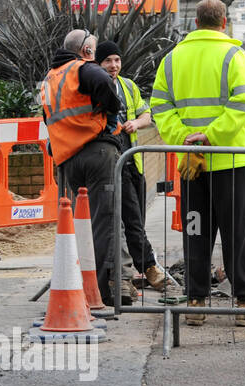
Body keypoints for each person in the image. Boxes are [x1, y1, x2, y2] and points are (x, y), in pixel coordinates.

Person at [151, 0, 245, 327]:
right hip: (231, 161)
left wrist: (187, 138)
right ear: (225, 23)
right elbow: (242, 105)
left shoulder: (172, 59)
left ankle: (196, 303)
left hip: (192, 164)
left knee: (196, 231)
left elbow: (161, 106)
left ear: (195, 23)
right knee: (239, 234)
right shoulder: (236, 56)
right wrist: (210, 136)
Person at [41, 29, 126, 305]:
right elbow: (105, 83)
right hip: (97, 151)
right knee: (104, 222)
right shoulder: (83, 69)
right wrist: (112, 111)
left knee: (77, 226)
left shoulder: (50, 79)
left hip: (67, 159)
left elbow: (47, 118)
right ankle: (103, 290)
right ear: (88, 52)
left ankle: (78, 288)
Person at [94, 40, 172, 293]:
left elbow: (146, 115)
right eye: (108, 61)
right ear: (98, 62)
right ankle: (143, 269)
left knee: (134, 219)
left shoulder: (128, 86)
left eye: (116, 60)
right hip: (111, 163)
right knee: (126, 221)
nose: (114, 65)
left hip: (132, 162)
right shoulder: (94, 85)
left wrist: (136, 124)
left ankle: (134, 271)